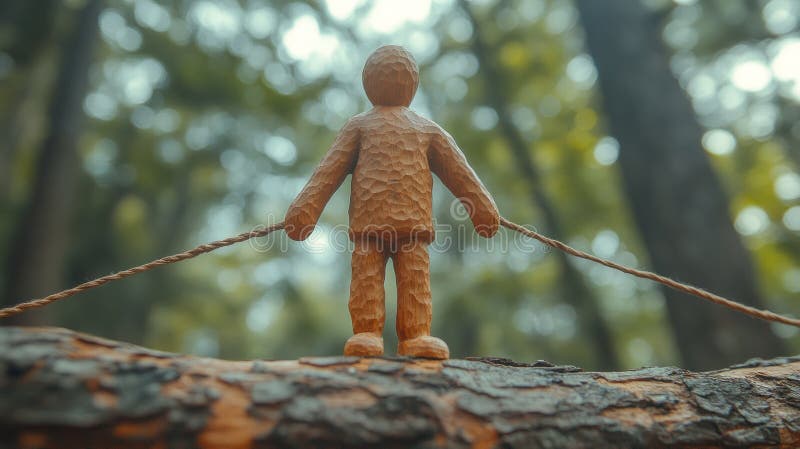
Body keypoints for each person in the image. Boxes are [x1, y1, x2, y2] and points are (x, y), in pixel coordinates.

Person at [284, 45, 499, 359]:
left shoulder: (426, 131)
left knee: (411, 278)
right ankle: (368, 332)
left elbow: (459, 173)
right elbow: (329, 171)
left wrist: (482, 210)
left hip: (410, 225)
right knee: (370, 277)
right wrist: (305, 210)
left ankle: (415, 335)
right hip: (372, 224)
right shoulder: (360, 127)